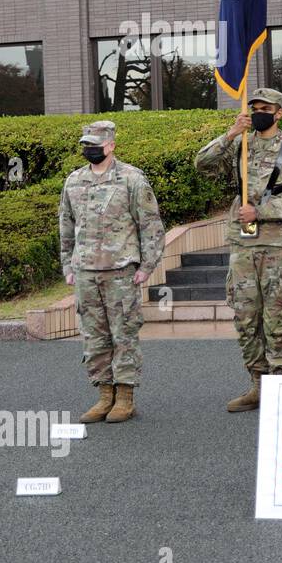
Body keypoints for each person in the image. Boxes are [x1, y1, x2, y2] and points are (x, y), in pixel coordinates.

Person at [194, 88, 282, 410]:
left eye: (266, 108)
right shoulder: (240, 144)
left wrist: (261, 211)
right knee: (246, 318)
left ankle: (281, 387)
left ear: (278, 113)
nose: (259, 111)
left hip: (277, 245)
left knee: (276, 319)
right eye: (255, 107)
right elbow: (202, 164)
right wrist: (231, 133)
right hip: (242, 243)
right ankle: (258, 385)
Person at [59, 120, 164, 424]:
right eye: (86, 145)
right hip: (86, 272)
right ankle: (104, 395)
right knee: (94, 337)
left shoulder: (132, 180)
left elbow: (151, 225)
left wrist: (147, 266)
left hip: (120, 271)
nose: (89, 149)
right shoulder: (74, 181)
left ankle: (125, 397)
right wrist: (68, 264)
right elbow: (66, 225)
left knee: (124, 335)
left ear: (111, 145)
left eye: (95, 144)